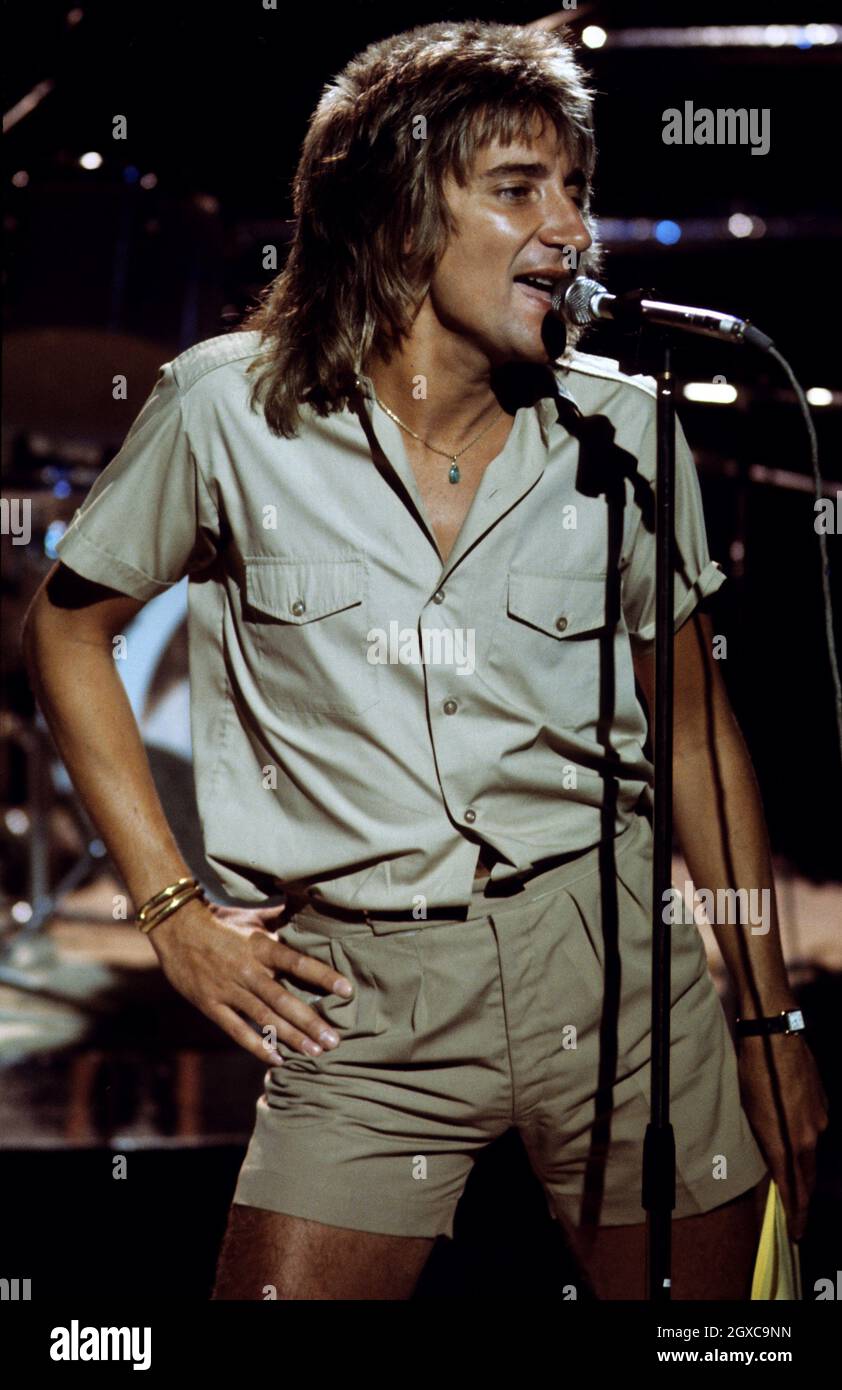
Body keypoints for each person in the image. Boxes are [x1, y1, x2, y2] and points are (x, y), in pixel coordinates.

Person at [22, 20, 827, 1300]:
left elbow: (692, 734)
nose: (568, 228)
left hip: (615, 969)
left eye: (577, 190)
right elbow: (65, 629)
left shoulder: (624, 434)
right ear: (398, 215)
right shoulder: (227, 410)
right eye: (518, 190)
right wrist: (170, 915)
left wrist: (767, 1024)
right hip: (362, 997)